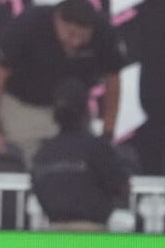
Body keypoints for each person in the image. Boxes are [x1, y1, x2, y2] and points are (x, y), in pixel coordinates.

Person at [0, 0, 124, 163]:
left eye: (83, 37)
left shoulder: (104, 32)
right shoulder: (28, 24)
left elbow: (113, 81)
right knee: (36, 162)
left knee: (80, 162)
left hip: (74, 110)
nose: (76, 42)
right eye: (71, 33)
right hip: (23, 106)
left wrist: (108, 132)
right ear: (57, 20)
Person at [29, 77, 128, 230]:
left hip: (54, 236)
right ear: (85, 110)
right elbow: (122, 187)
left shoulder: (43, 152)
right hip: (93, 237)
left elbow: (38, 190)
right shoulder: (97, 148)